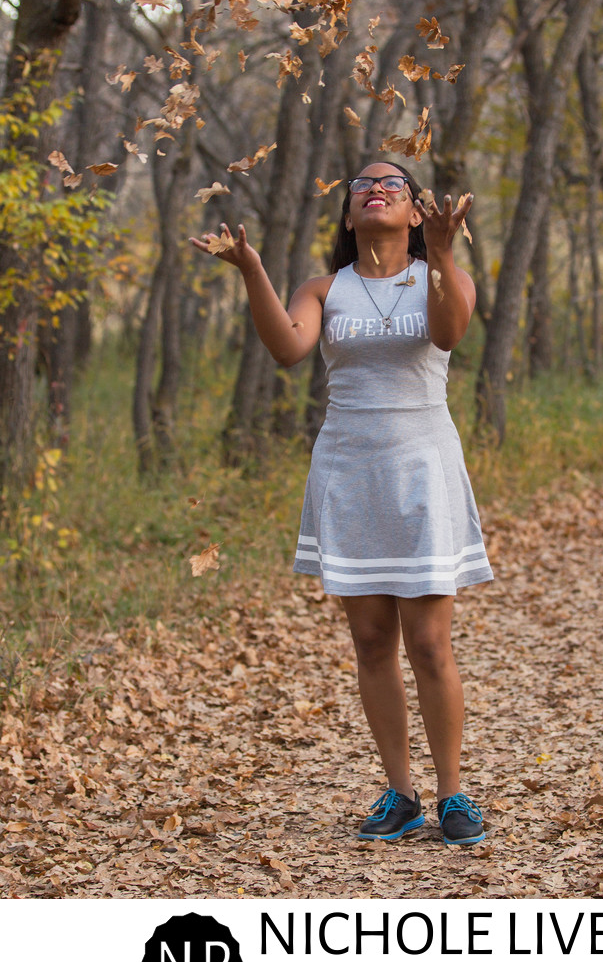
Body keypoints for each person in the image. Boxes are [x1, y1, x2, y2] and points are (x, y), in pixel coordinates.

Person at [190, 161, 493, 845]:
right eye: (363, 185)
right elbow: (287, 349)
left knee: (429, 643)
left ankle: (453, 794)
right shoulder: (326, 289)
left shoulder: (441, 273)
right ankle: (402, 794)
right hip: (349, 472)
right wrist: (251, 269)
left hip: (422, 470)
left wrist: (441, 251)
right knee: (372, 640)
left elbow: (448, 333)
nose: (375, 188)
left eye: (392, 184)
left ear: (416, 211)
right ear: (349, 215)